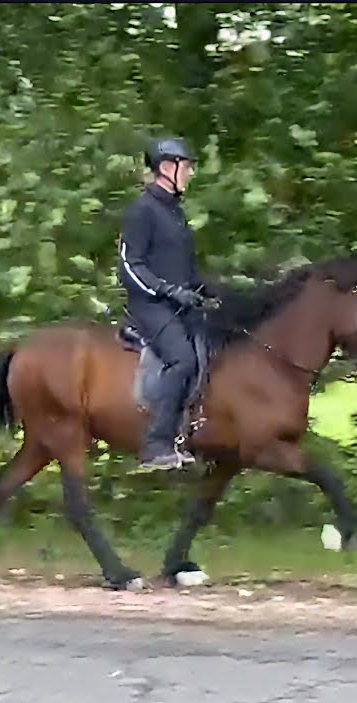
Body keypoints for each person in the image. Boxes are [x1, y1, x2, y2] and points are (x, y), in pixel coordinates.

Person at [117, 136, 218, 470]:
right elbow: (130, 264)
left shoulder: (174, 212)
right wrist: (168, 291)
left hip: (179, 303)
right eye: (187, 167)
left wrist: (209, 290)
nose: (190, 173)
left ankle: (191, 436)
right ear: (166, 168)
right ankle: (155, 444)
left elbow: (184, 266)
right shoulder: (142, 210)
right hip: (150, 305)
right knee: (182, 360)